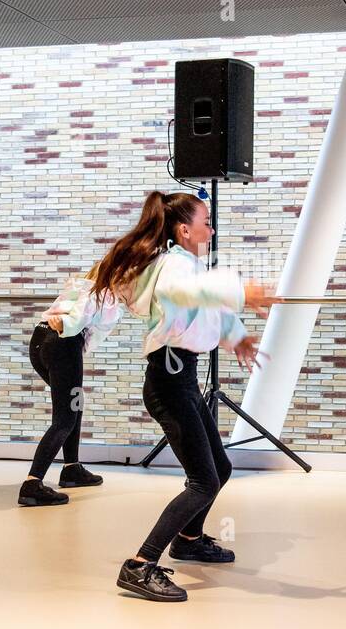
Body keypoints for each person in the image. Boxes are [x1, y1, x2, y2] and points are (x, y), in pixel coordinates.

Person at [91, 191, 275, 602]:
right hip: (169, 382)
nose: (210, 228)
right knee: (203, 480)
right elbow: (182, 296)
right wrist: (244, 289)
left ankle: (189, 539)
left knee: (220, 468)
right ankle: (139, 565)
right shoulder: (174, 264)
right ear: (183, 229)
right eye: (205, 221)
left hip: (182, 380)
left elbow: (202, 308)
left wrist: (238, 336)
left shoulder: (188, 266)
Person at [19, 265, 125, 506]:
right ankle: (32, 484)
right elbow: (80, 316)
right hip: (64, 344)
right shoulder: (104, 293)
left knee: (74, 404)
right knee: (66, 417)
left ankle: (71, 469)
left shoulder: (79, 287)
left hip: (40, 342)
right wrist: (67, 326)